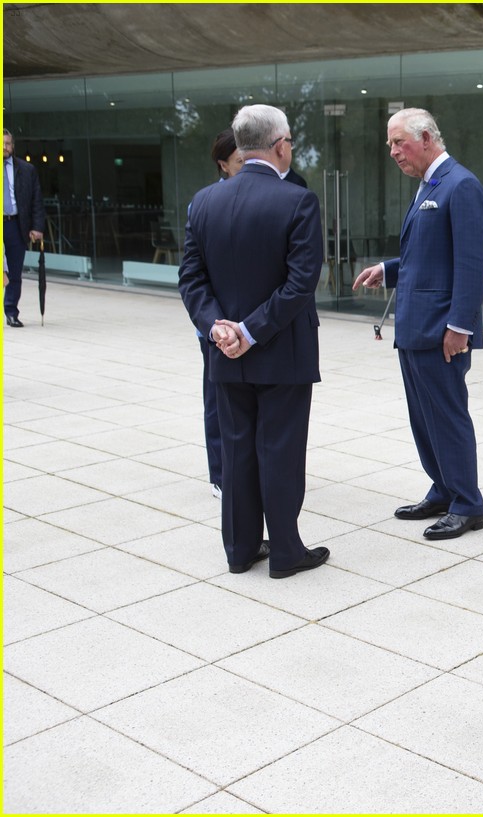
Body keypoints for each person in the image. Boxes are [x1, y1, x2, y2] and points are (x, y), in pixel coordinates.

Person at [178, 104, 330, 579]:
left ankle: (240, 550)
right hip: (281, 350)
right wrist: (249, 331)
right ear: (281, 145)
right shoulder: (298, 201)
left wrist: (217, 327)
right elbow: (300, 284)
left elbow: (191, 279)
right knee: (280, 450)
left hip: (224, 351)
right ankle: (285, 552)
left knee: (237, 450)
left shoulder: (205, 201)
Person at [352, 109, 483, 541]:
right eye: (390, 144)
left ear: (426, 138)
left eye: (399, 143)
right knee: (423, 419)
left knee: (446, 417)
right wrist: (387, 269)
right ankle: (443, 489)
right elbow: (427, 254)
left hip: (441, 331)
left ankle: (467, 503)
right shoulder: (428, 186)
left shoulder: (460, 185)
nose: (393, 152)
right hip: (414, 327)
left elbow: (471, 262)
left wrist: (460, 326)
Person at [194, 128, 244, 499]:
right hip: (216, 326)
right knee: (217, 400)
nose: (247, 167)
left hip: (253, 325)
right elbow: (195, 275)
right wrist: (215, 324)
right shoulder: (204, 204)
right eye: (240, 162)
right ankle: (220, 474)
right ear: (223, 165)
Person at [3, 128, 46, 328]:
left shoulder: (27, 170)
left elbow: (37, 200)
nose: (4, 147)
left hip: (15, 224)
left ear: (13, 145)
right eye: (1, 144)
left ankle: (11, 312)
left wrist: (37, 227)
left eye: (7, 143)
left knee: (14, 272)